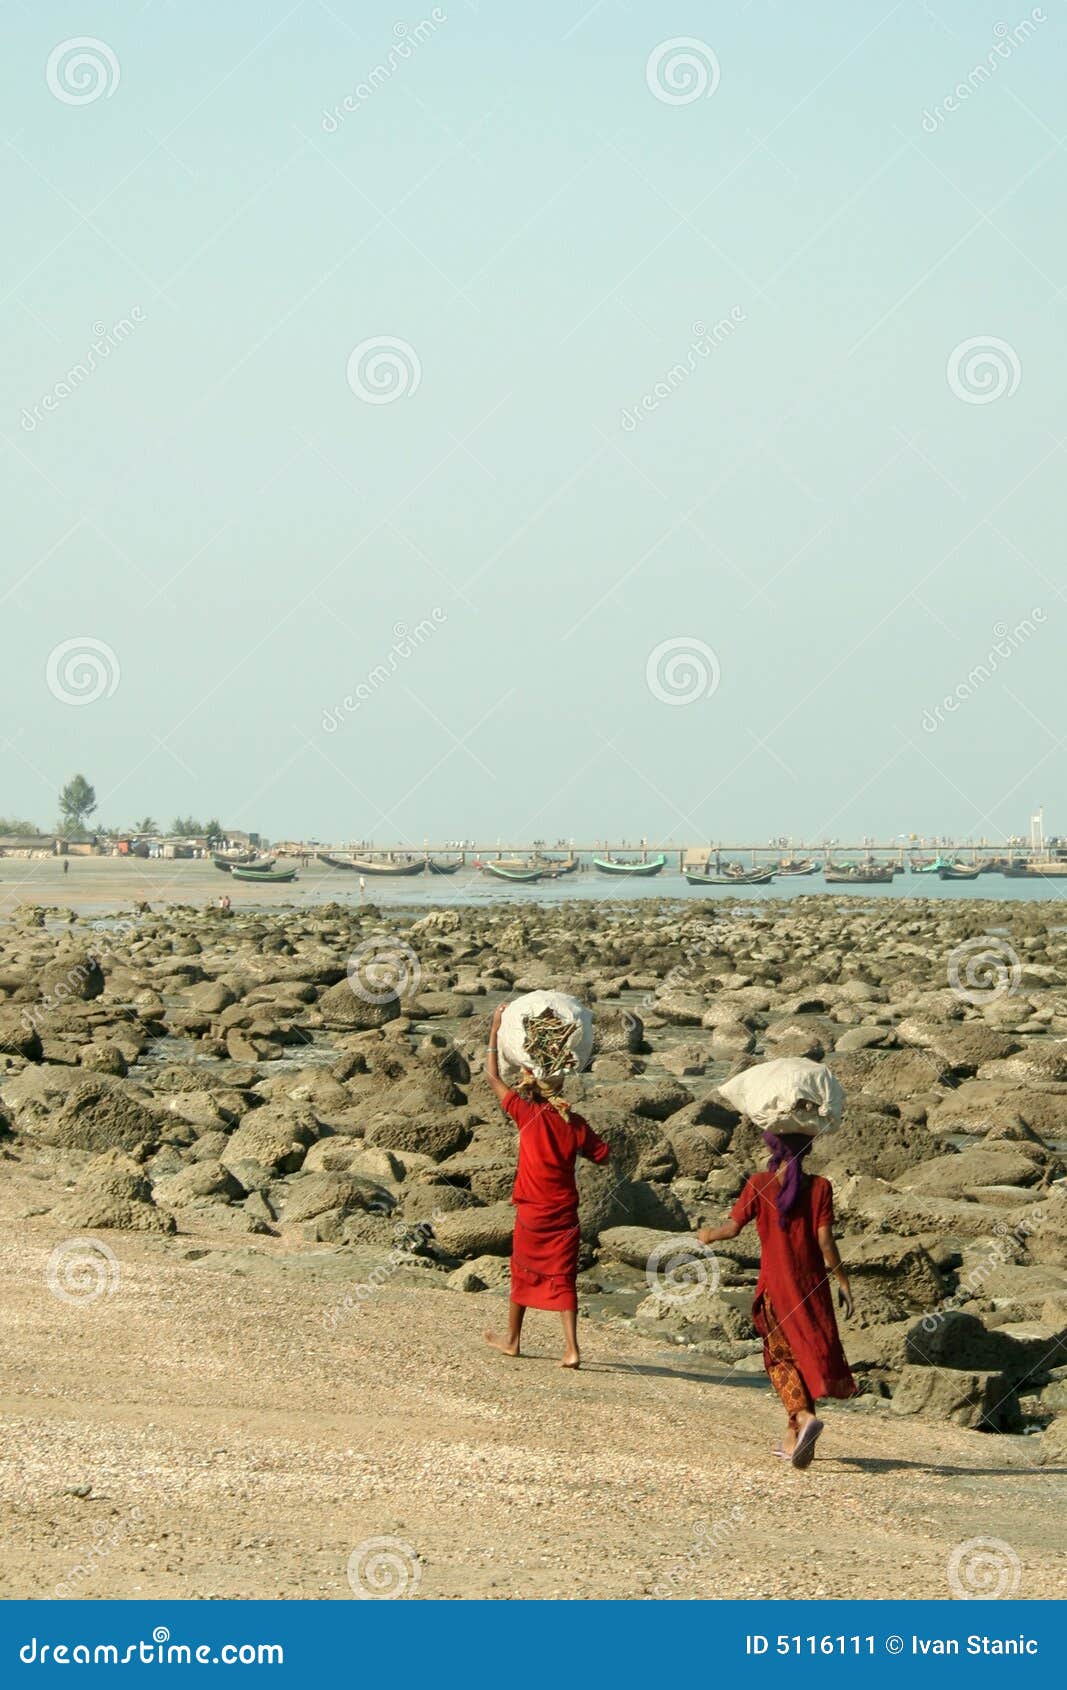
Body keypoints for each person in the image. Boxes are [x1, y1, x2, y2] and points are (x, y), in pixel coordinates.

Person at [697, 1127, 855, 1468]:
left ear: (774, 1149)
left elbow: (732, 1229)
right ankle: (794, 1436)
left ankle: (802, 1417)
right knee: (803, 1356)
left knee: (780, 1361)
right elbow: (826, 1242)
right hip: (813, 1292)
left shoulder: (759, 1183)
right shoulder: (821, 1187)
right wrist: (843, 1282)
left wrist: (708, 1235)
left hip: (775, 1292)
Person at [483, 1003, 610, 1370]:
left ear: (530, 1081)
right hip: (563, 1212)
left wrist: (494, 1028)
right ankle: (571, 1349)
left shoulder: (525, 1113)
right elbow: (603, 1155)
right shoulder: (574, 1123)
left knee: (522, 1269)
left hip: (532, 1211)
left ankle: (513, 1340)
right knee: (563, 1277)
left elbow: (492, 1077)